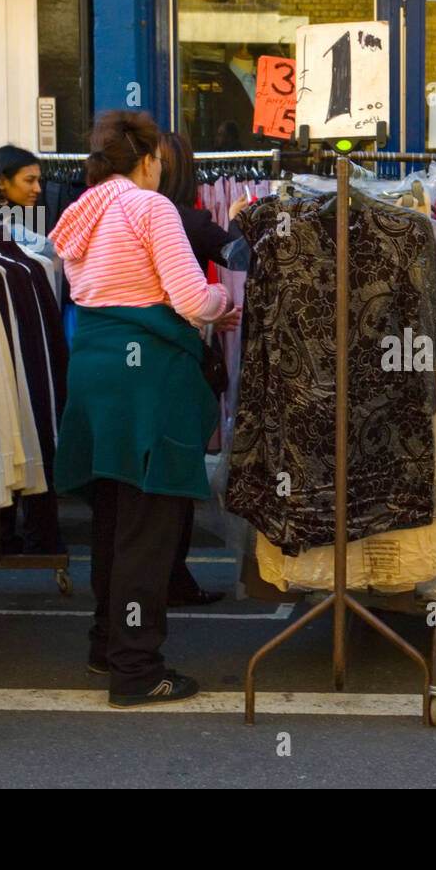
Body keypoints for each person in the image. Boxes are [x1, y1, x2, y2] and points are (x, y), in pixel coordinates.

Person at [49, 110, 230, 707]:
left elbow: (85, 288)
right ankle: (135, 668)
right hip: (147, 374)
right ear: (149, 159)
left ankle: (108, 644)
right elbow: (189, 298)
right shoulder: (151, 208)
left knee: (112, 517)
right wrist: (222, 298)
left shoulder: (80, 212)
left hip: (97, 369)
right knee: (148, 527)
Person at [154, 130, 247, 607]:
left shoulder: (114, 218)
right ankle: (171, 581)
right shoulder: (184, 221)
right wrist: (241, 219)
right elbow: (239, 254)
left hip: (132, 368)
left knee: (144, 487)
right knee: (177, 479)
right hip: (178, 368)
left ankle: (156, 583)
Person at [0, 144, 67, 557]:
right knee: (31, 432)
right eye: (29, 180)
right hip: (20, 349)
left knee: (7, 433)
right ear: (2, 182)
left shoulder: (16, 232)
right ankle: (32, 535)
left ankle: (1, 534)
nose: (38, 188)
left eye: (38, 180)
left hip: (17, 347)